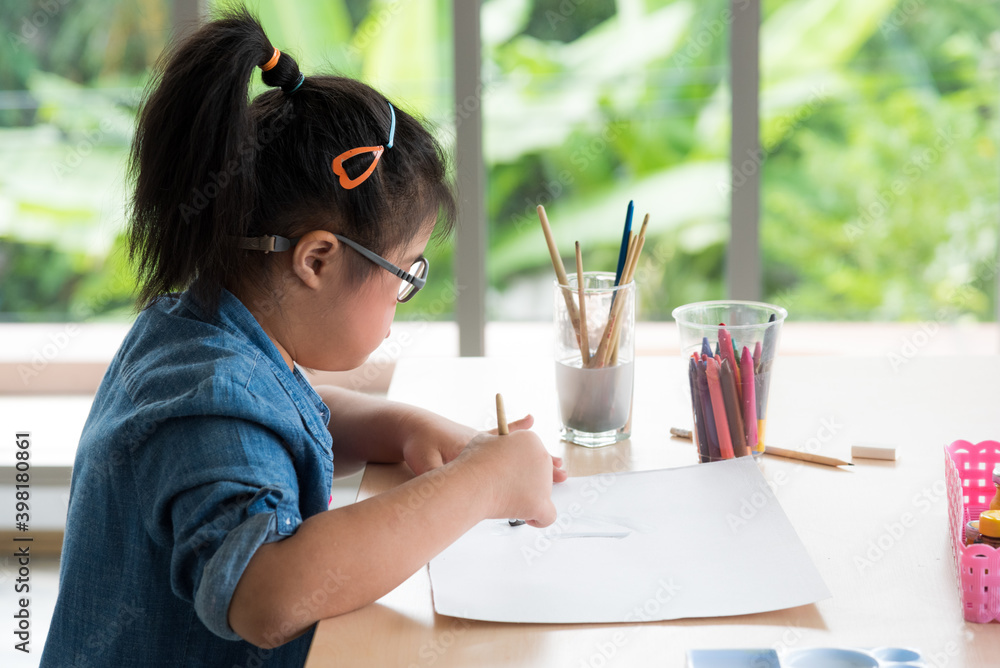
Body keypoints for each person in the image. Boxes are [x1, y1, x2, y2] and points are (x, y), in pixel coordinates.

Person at [41, 8, 565, 667]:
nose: (406, 294)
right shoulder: (208, 403)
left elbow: (280, 411)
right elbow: (268, 595)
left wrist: (404, 427)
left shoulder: (196, 332)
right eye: (407, 272)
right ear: (316, 260)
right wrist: (479, 487)